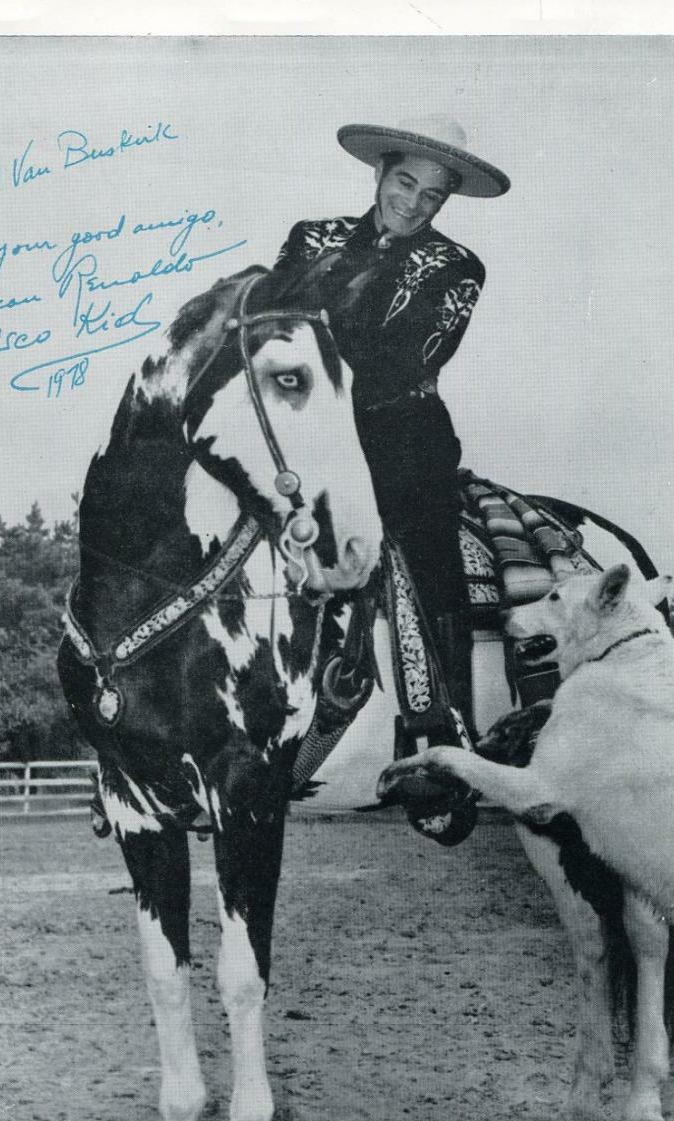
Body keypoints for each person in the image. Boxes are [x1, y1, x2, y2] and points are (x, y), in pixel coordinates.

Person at [271, 117, 510, 736]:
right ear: (380, 173)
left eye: (433, 195)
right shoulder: (310, 238)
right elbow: (272, 330)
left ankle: (444, 724)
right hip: (299, 434)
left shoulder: (457, 266)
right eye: (405, 182)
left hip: (400, 436)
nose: (413, 203)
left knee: (429, 549)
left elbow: (406, 359)